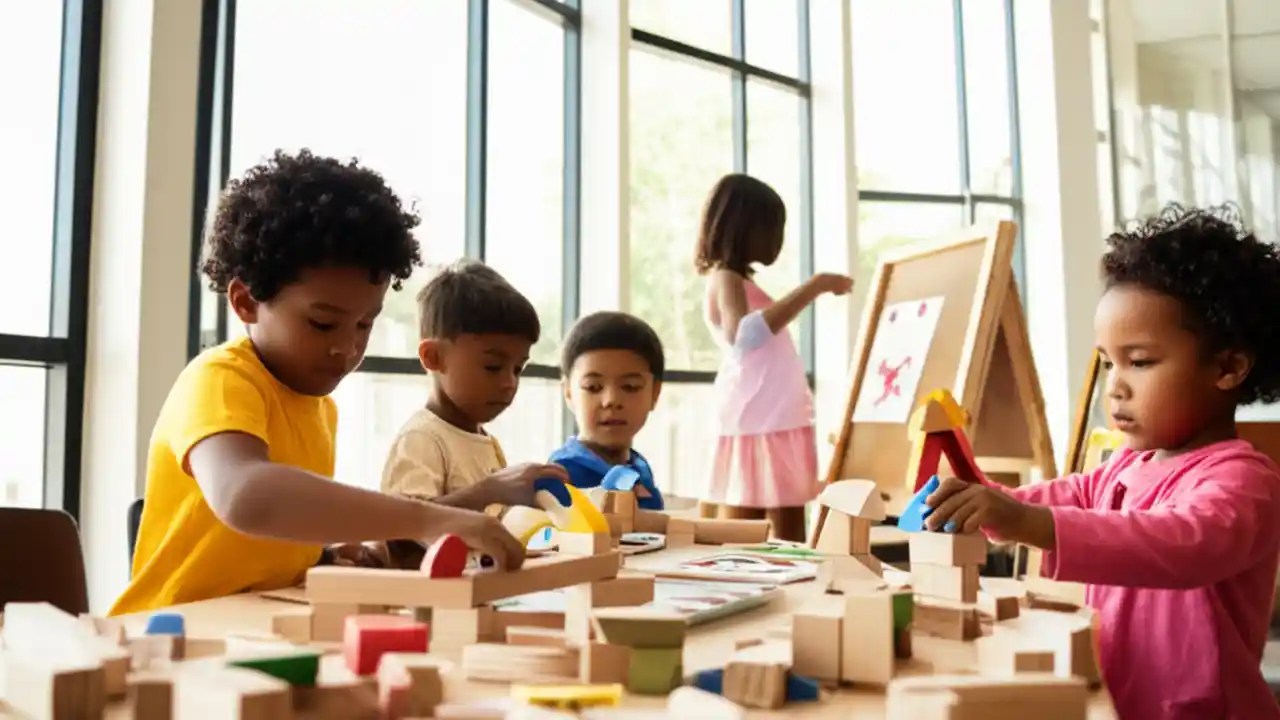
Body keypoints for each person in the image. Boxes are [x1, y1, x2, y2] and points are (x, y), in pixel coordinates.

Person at [110, 151, 528, 616]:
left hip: (254, 627)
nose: (346, 349)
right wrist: (431, 517)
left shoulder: (319, 406)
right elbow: (245, 495)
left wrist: (325, 556)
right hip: (170, 632)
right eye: (324, 324)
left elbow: (259, 544)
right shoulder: (222, 378)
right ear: (247, 302)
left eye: (365, 325)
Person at [924, 205, 1280, 719]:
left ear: (1227, 367)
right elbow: (1068, 495)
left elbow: (1179, 543)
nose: (1115, 384)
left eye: (1140, 362)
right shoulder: (1127, 465)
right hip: (1119, 699)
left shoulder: (1245, 482)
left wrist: (1029, 522)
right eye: (1108, 362)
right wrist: (994, 505)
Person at [695, 173, 853, 542]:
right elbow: (743, 336)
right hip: (759, 419)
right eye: (771, 228)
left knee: (787, 513)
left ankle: (794, 580)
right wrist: (814, 287)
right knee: (751, 521)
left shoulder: (738, 281)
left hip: (773, 416)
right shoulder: (726, 278)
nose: (777, 240)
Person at [381, 260, 567, 522]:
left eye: (517, 369)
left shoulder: (487, 443)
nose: (509, 383)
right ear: (434, 357)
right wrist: (489, 492)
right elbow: (401, 532)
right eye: (493, 367)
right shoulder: (421, 438)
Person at [550, 311, 665, 509]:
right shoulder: (559, 476)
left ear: (654, 393)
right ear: (568, 392)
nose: (611, 401)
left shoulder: (640, 470)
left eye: (630, 387)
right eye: (593, 387)